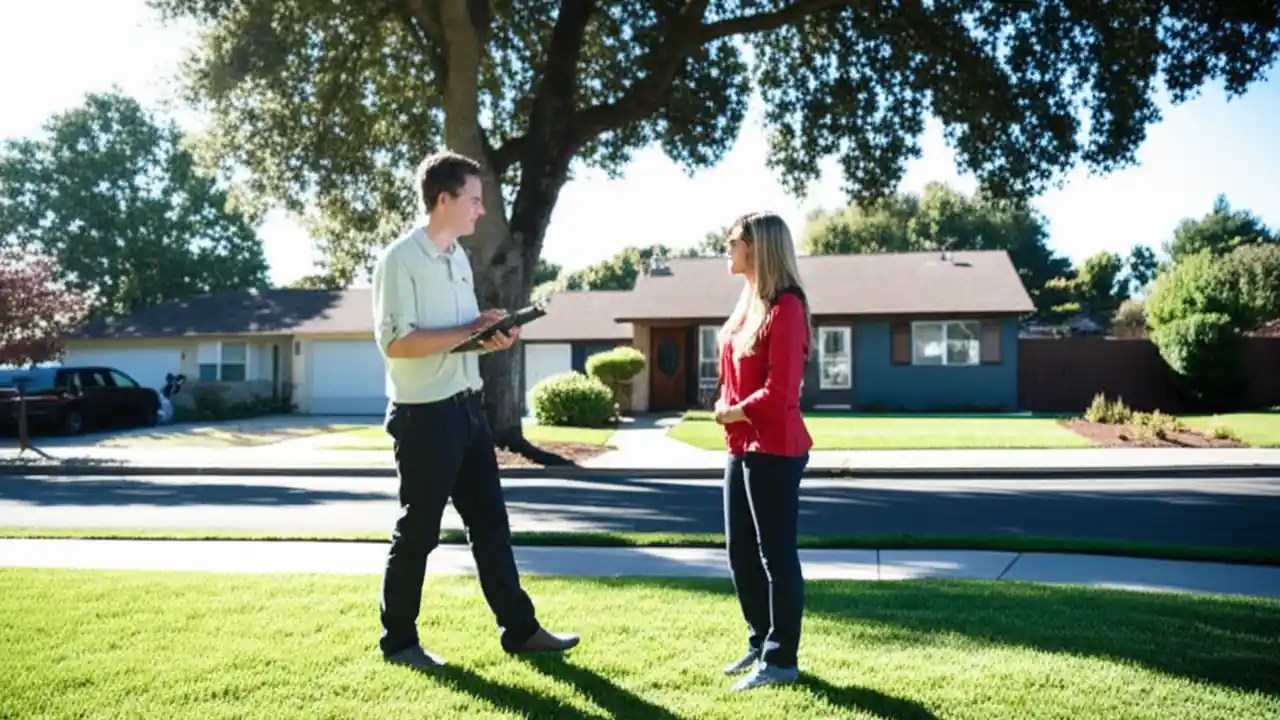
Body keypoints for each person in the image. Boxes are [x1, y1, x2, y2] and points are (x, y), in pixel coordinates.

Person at [371, 149, 579, 669]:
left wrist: (486, 330)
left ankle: (521, 630)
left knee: (490, 523)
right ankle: (399, 643)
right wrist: (467, 331)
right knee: (418, 531)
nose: (480, 210)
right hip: (424, 417)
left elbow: (456, 336)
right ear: (443, 200)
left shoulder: (458, 258)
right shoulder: (401, 260)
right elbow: (397, 343)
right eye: (473, 199)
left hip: (467, 410)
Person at [712, 211, 813, 692]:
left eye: (733, 242)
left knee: (776, 556)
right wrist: (723, 405)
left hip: (774, 448)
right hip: (742, 446)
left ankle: (781, 661)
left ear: (758, 247)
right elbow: (732, 374)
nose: (727, 250)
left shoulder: (787, 307)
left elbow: (781, 393)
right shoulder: (749, 305)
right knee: (740, 553)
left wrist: (733, 413)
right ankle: (759, 641)